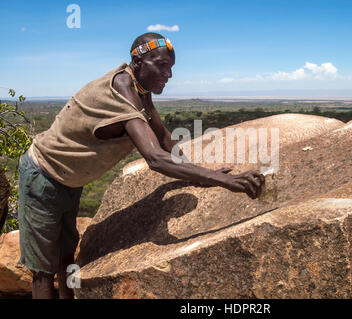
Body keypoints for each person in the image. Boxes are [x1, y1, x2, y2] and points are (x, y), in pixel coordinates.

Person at [17, 32, 265, 299]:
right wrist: (225, 181)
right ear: (137, 62)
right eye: (161, 65)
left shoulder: (140, 90)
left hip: (69, 182)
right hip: (42, 176)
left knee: (67, 256)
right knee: (42, 272)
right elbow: (155, 158)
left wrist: (201, 174)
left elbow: (164, 137)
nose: (168, 74)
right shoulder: (121, 91)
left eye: (170, 68)